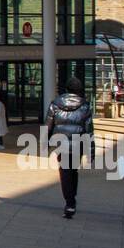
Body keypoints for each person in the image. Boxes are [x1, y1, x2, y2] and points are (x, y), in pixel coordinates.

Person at [47, 76, 93, 219]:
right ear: (79, 90)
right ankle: (72, 199)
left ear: (66, 89)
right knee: (73, 170)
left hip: (62, 143)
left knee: (65, 172)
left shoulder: (55, 104)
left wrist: (45, 143)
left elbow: (48, 125)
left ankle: (70, 202)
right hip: (77, 142)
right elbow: (89, 129)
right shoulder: (85, 106)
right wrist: (91, 149)